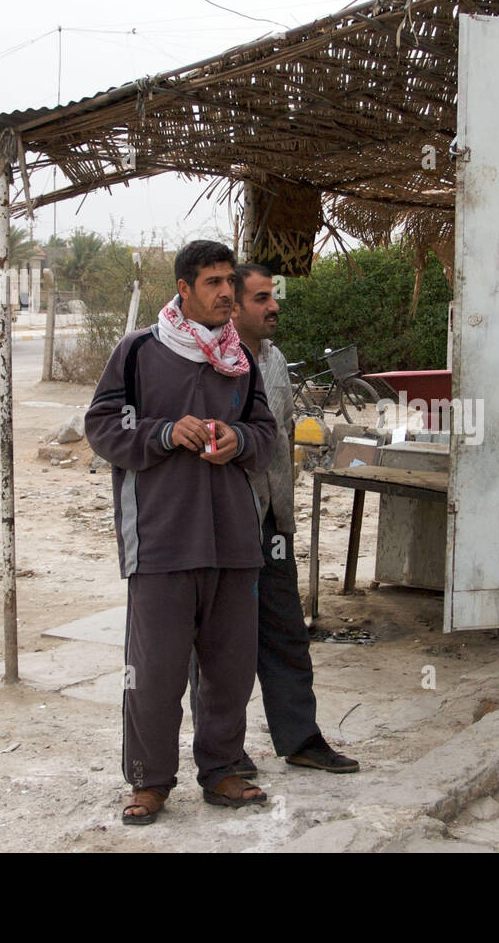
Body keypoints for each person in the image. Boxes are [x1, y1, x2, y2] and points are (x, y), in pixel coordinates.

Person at [84, 240, 277, 825]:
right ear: (185, 289)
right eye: (214, 283)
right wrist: (165, 433)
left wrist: (237, 440)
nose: (226, 294)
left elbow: (266, 434)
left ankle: (222, 770)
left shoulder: (241, 359)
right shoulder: (139, 351)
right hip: (163, 539)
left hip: (234, 540)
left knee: (230, 666)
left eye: (229, 282)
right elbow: (102, 426)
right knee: (156, 670)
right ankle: (149, 782)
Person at [188, 263, 359, 778]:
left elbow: (281, 436)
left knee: (286, 632)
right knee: (222, 646)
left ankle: (301, 738)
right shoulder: (209, 363)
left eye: (272, 297)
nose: (274, 306)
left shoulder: (277, 359)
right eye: (261, 298)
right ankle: (224, 755)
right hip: (225, 526)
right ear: (232, 307)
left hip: (273, 522)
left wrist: (284, 511)